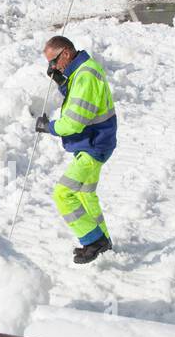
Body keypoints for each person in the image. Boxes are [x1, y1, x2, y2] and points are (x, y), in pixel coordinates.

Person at [34, 36, 117, 264]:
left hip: (93, 146)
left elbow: (74, 122)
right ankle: (104, 240)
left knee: (63, 194)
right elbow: (77, 100)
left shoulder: (86, 76)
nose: (52, 66)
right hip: (96, 143)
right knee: (85, 194)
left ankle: (93, 241)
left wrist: (48, 127)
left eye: (53, 61)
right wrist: (62, 82)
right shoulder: (81, 71)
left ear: (66, 54)